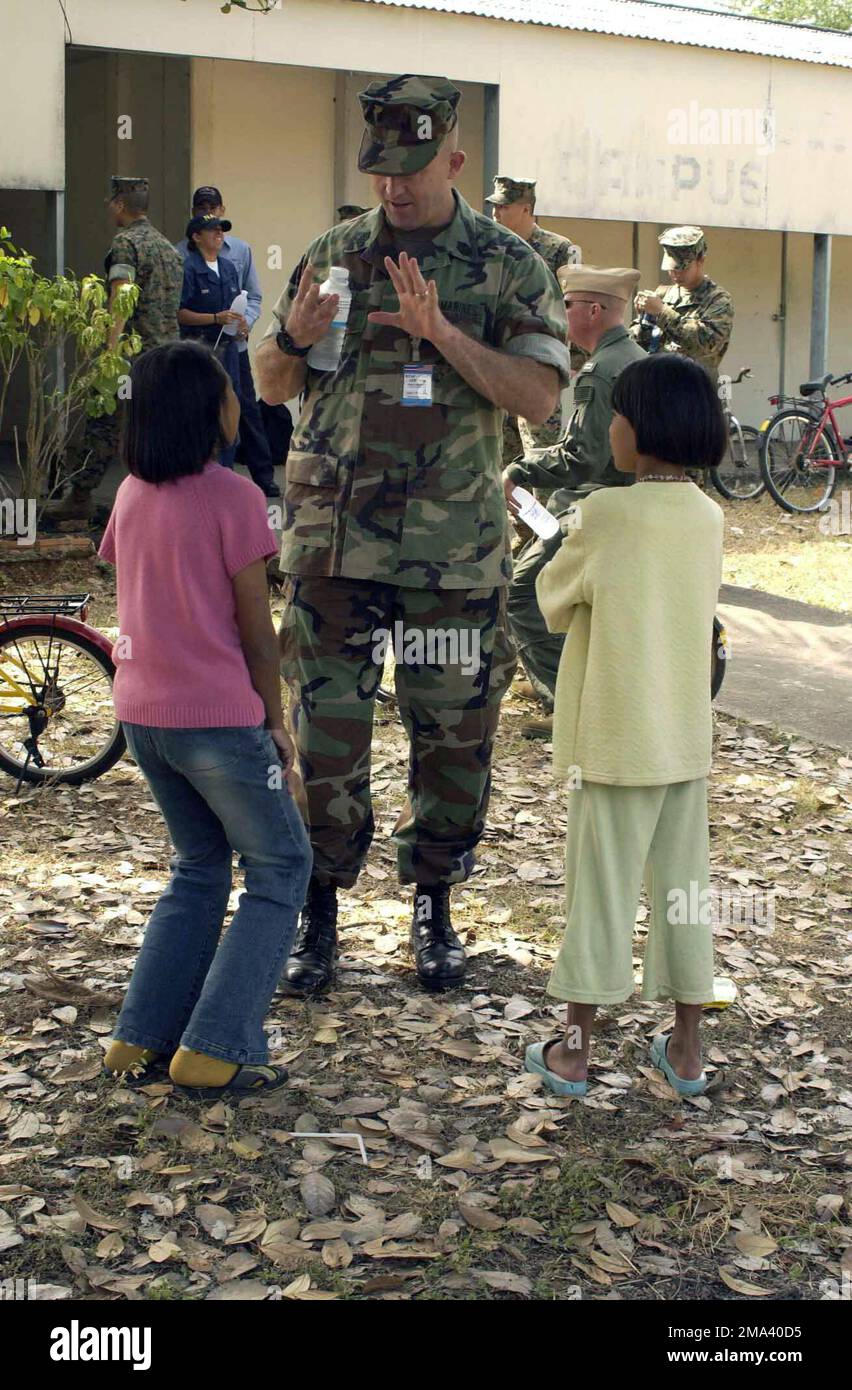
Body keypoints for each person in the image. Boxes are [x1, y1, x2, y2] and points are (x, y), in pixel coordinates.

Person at [256, 74, 570, 996]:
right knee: (324, 735)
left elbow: (541, 399)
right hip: (335, 547)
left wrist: (444, 336)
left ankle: (434, 907)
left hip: (451, 553)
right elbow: (271, 384)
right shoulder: (333, 252)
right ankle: (317, 914)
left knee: (453, 733)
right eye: (382, 170)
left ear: (456, 160)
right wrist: (294, 333)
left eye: (413, 170)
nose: (395, 189)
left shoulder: (509, 265)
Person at [98, 339, 312, 1098]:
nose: (238, 401)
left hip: (144, 715)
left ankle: (138, 1038)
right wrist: (277, 727)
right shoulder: (235, 499)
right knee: (282, 866)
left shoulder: (130, 493)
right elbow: (257, 634)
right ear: (207, 410)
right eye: (228, 390)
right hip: (219, 720)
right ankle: (217, 1046)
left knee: (197, 869)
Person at [523, 353, 726, 1099]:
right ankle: (688, 1046)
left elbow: (552, 593)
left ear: (639, 428)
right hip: (683, 734)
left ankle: (574, 1051)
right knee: (686, 891)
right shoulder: (709, 516)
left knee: (600, 892)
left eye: (617, 412)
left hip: (613, 736)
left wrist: (543, 527)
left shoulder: (603, 513)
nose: (610, 425)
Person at [505, 266, 646, 735]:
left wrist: (520, 469)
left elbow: (582, 457)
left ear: (593, 310)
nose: (562, 314)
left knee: (523, 595)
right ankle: (564, 682)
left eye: (568, 305)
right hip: (624, 503)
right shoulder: (634, 356)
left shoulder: (602, 370)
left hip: (592, 505)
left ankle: (571, 708)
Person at [47, 176, 183, 522]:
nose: (109, 207)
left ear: (120, 205)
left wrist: (110, 353)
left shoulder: (126, 243)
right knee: (156, 429)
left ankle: (80, 496)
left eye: (111, 201)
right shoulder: (168, 248)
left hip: (131, 356)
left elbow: (121, 297)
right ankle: (164, 500)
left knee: (103, 423)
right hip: (166, 355)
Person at [176, 186, 280, 497]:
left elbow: (251, 296)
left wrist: (243, 322)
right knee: (201, 410)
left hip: (234, 346)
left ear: (223, 208)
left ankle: (261, 475)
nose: (216, 229)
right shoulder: (182, 257)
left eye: (214, 208)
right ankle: (205, 475)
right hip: (199, 348)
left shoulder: (237, 254)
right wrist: (216, 319)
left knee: (243, 408)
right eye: (202, 207)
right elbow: (179, 309)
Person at [486, 174, 582, 466]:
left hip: (538, 366)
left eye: (503, 207)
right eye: (494, 206)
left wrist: (574, 359)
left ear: (526, 209)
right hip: (497, 363)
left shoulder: (558, 250)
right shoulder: (490, 248)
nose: (495, 213)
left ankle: (544, 512)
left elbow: (574, 307)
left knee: (541, 457)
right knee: (498, 455)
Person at [630, 225, 733, 384]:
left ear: (701, 260)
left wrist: (661, 312)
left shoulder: (718, 300)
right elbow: (640, 345)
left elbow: (704, 346)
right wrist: (643, 321)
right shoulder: (663, 294)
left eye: (682, 268)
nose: (675, 273)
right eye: (671, 268)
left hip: (696, 390)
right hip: (659, 387)